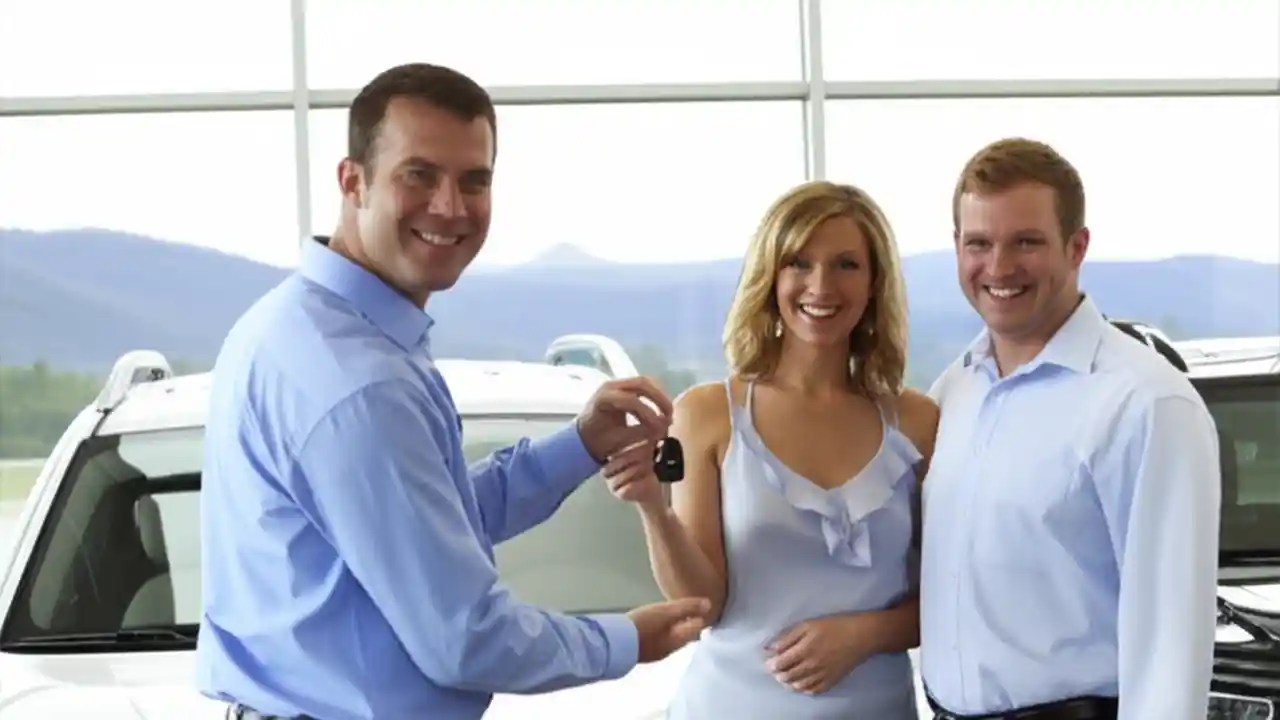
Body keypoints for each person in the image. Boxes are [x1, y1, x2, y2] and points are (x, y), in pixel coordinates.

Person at [195, 62, 711, 720]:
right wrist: (627, 640)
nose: (451, 207)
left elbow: (433, 519)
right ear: (353, 181)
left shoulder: (295, 322)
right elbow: (464, 641)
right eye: (419, 174)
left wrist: (582, 444)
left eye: (474, 180)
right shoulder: (360, 385)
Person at [603, 180, 940, 719]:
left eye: (846, 264)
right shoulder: (708, 414)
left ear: (875, 281)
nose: (821, 285)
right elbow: (703, 606)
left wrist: (865, 633)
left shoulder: (918, 423)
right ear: (770, 275)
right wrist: (651, 507)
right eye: (799, 262)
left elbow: (956, 597)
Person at [919, 137, 1221, 719]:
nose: (999, 267)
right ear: (957, 246)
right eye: (979, 243)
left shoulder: (1146, 404)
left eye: (1026, 242)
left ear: (1077, 246)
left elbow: (1170, 645)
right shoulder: (954, 390)